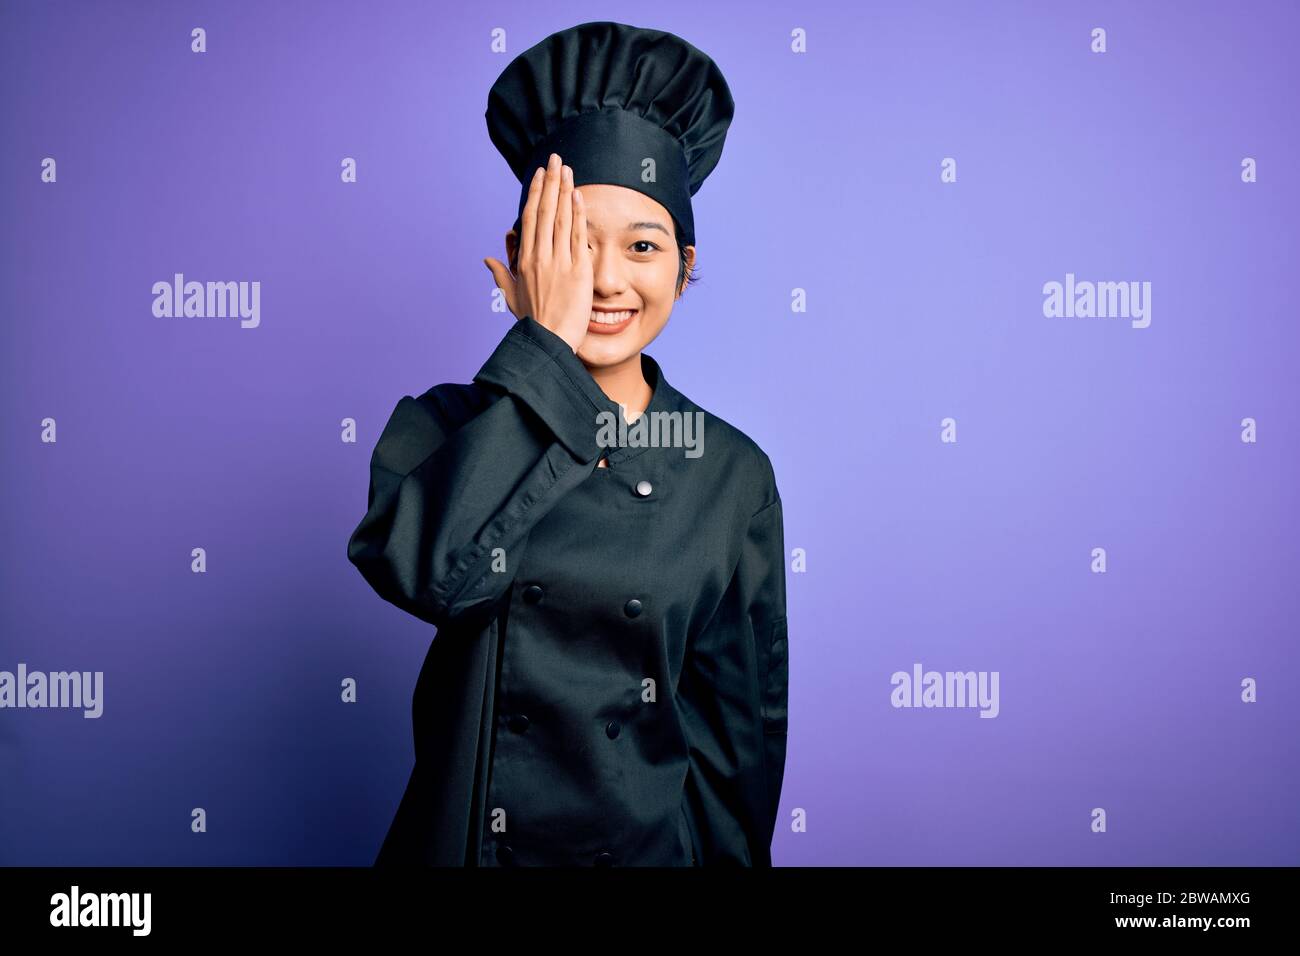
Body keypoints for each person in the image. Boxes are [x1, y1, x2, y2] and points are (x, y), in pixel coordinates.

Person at [346, 20, 788, 866]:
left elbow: (740, 756)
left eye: (644, 247)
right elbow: (432, 575)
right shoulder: (440, 428)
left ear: (686, 268)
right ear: (519, 260)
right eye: (572, 244)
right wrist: (543, 350)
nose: (609, 279)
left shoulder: (732, 475)